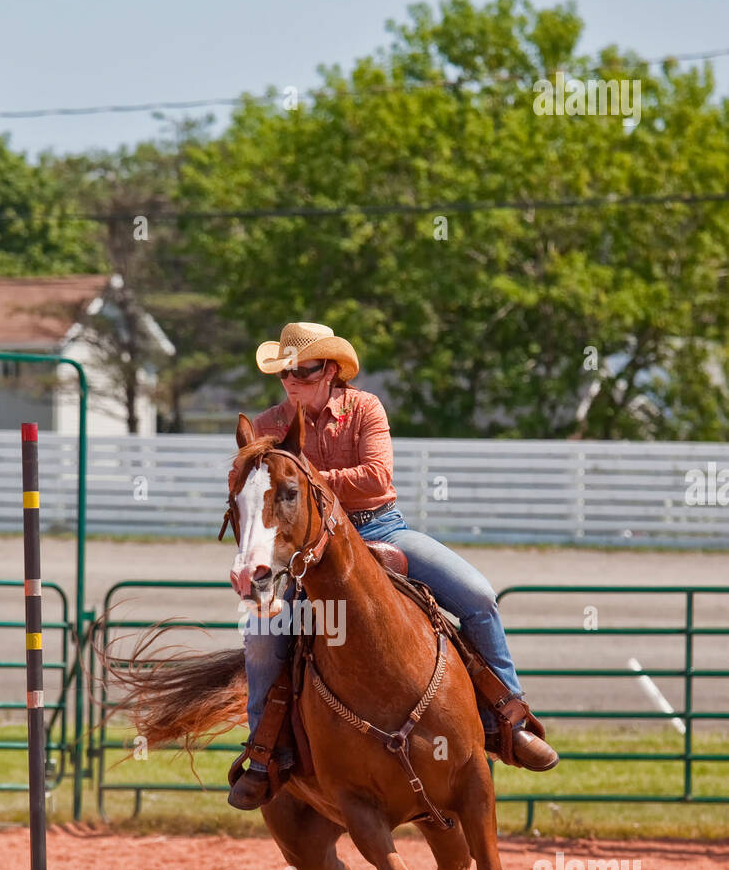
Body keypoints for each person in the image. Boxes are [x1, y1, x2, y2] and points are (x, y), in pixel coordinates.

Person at [228, 321, 558, 810]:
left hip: (381, 529)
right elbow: (257, 492)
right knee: (259, 636)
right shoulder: (269, 425)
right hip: (301, 551)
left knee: (479, 597)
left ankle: (506, 719)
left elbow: (377, 476)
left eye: (303, 370)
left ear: (331, 371)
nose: (292, 380)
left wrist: (305, 481)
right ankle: (265, 753)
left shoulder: (364, 408)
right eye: (285, 373)